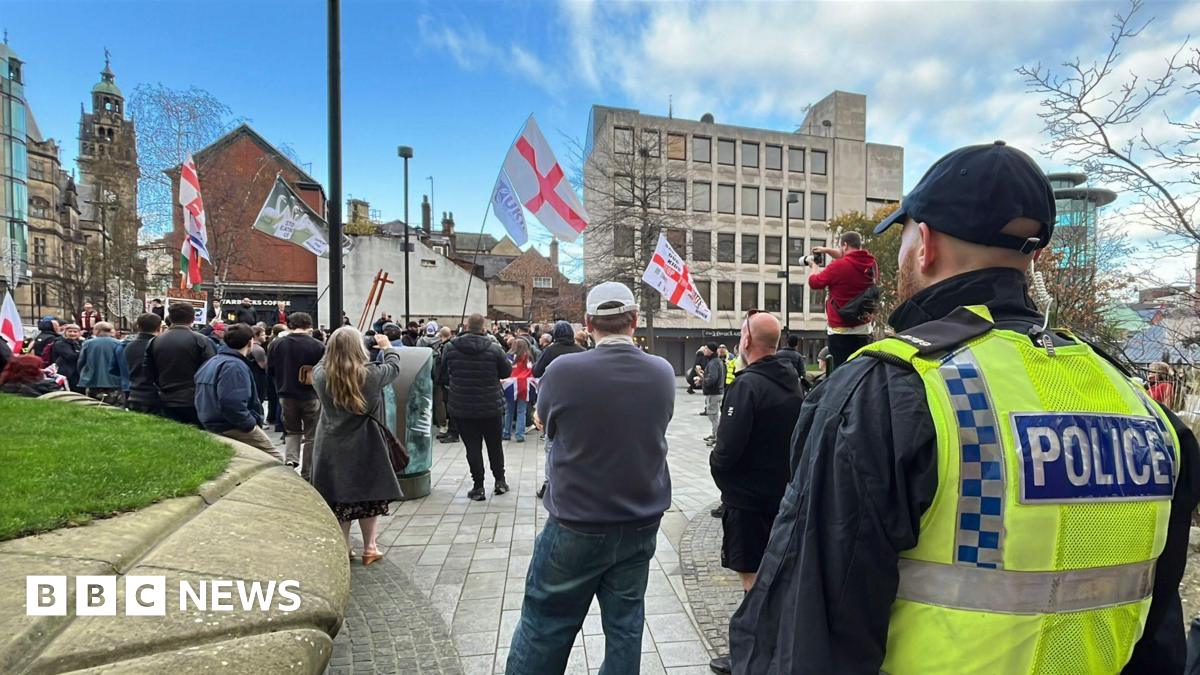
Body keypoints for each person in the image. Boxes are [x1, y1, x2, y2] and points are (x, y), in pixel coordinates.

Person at [729, 141, 1200, 674]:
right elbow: (1159, 637)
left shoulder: (888, 390)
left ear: (924, 245)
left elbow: (806, 638)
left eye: (905, 237)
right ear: (1033, 256)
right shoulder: (1138, 405)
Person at [507, 282, 675, 673]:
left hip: (578, 521)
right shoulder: (662, 371)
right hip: (640, 522)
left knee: (546, 624)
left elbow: (545, 421)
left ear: (588, 323)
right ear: (634, 320)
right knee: (626, 626)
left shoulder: (564, 371)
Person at [706, 312, 803, 674]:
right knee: (773, 575)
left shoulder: (747, 386)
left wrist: (718, 470)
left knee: (752, 579)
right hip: (781, 496)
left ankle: (752, 656)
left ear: (746, 341)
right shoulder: (792, 383)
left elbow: (727, 450)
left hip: (747, 500)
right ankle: (772, 649)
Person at [311, 327, 404, 565]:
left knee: (339, 496)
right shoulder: (371, 375)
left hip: (332, 444)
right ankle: (370, 547)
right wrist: (387, 346)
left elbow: (324, 359)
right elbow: (394, 366)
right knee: (368, 495)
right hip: (366, 443)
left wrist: (336, 344)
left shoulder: (320, 375)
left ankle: (344, 547)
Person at [438, 312, 511, 501]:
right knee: (495, 445)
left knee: (472, 448)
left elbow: (441, 376)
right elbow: (506, 372)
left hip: (463, 406)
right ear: (483, 328)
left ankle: (478, 487)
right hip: (491, 405)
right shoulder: (494, 348)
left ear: (466, 326)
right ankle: (500, 481)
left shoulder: (451, 348)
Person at [194, 323, 283, 461]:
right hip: (232, 425)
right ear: (250, 342)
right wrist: (249, 424)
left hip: (213, 422)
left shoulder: (213, 362)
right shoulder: (234, 366)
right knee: (276, 460)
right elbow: (231, 402)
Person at [806, 230, 878, 372]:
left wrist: (814, 266)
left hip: (840, 330)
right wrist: (826, 250)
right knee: (860, 372)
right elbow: (850, 257)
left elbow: (814, 282)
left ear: (844, 245)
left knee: (842, 372)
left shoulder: (838, 266)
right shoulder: (871, 264)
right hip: (863, 328)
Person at [531, 320, 586, 498]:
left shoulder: (550, 351)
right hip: (578, 403)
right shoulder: (581, 351)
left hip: (554, 401)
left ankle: (549, 484)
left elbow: (536, 371)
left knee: (551, 444)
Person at [268, 312, 325, 479]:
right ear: (309, 325)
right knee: (311, 435)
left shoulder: (277, 344)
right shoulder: (318, 345)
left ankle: (291, 460)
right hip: (311, 394)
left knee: (292, 430)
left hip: (286, 393)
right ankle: (307, 471)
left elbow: (270, 370)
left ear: (290, 325)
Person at [145, 303, 215, 427]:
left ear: (170, 318)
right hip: (195, 399)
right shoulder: (201, 340)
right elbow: (211, 371)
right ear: (193, 318)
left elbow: (149, 372)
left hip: (165, 398)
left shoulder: (154, 341)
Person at [122, 312, 162, 414]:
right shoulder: (159, 346)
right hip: (155, 396)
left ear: (138, 326)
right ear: (159, 327)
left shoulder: (129, 346)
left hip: (134, 392)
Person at [76, 321, 123, 404]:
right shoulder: (118, 343)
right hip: (114, 380)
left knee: (93, 404)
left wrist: (82, 373)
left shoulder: (88, 343)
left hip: (92, 379)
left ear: (96, 330)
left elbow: (81, 361)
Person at [502, 339, 534, 443]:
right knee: (521, 411)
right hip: (524, 384)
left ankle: (506, 433)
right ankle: (520, 435)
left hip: (510, 384)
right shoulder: (528, 357)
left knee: (509, 411)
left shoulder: (509, 356)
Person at [696, 343, 724, 446]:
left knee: (713, 416)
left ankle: (717, 437)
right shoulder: (716, 361)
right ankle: (714, 434)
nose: (704, 350)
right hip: (717, 392)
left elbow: (712, 379)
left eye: (706, 348)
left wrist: (701, 377)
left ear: (711, 350)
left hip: (714, 393)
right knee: (714, 415)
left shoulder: (713, 363)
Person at [52, 324, 83, 390]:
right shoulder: (60, 343)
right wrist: (83, 353)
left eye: (75, 332)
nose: (72, 333)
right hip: (67, 372)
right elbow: (70, 356)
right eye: (70, 331)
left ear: (79, 333)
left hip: (79, 372)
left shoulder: (81, 343)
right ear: (65, 332)